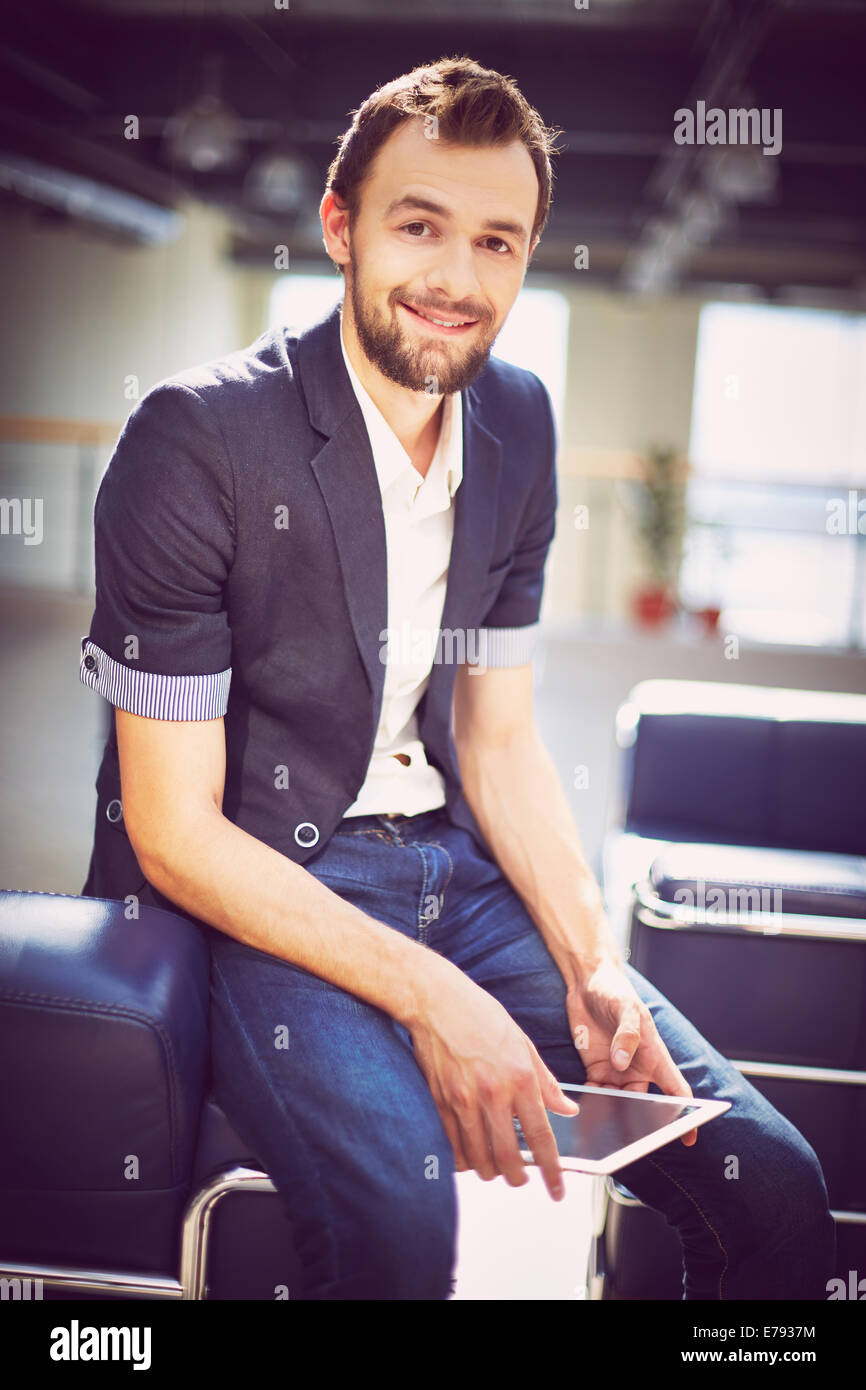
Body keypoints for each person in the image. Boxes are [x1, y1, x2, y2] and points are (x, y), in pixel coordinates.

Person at [79, 55, 834, 1300]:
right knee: (399, 1228)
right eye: (419, 226)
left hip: (452, 871)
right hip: (268, 881)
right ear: (340, 227)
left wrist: (590, 952)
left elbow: (496, 744)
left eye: (497, 242)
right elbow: (169, 831)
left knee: (774, 1182)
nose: (455, 279)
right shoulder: (196, 439)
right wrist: (434, 999)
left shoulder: (519, 423)